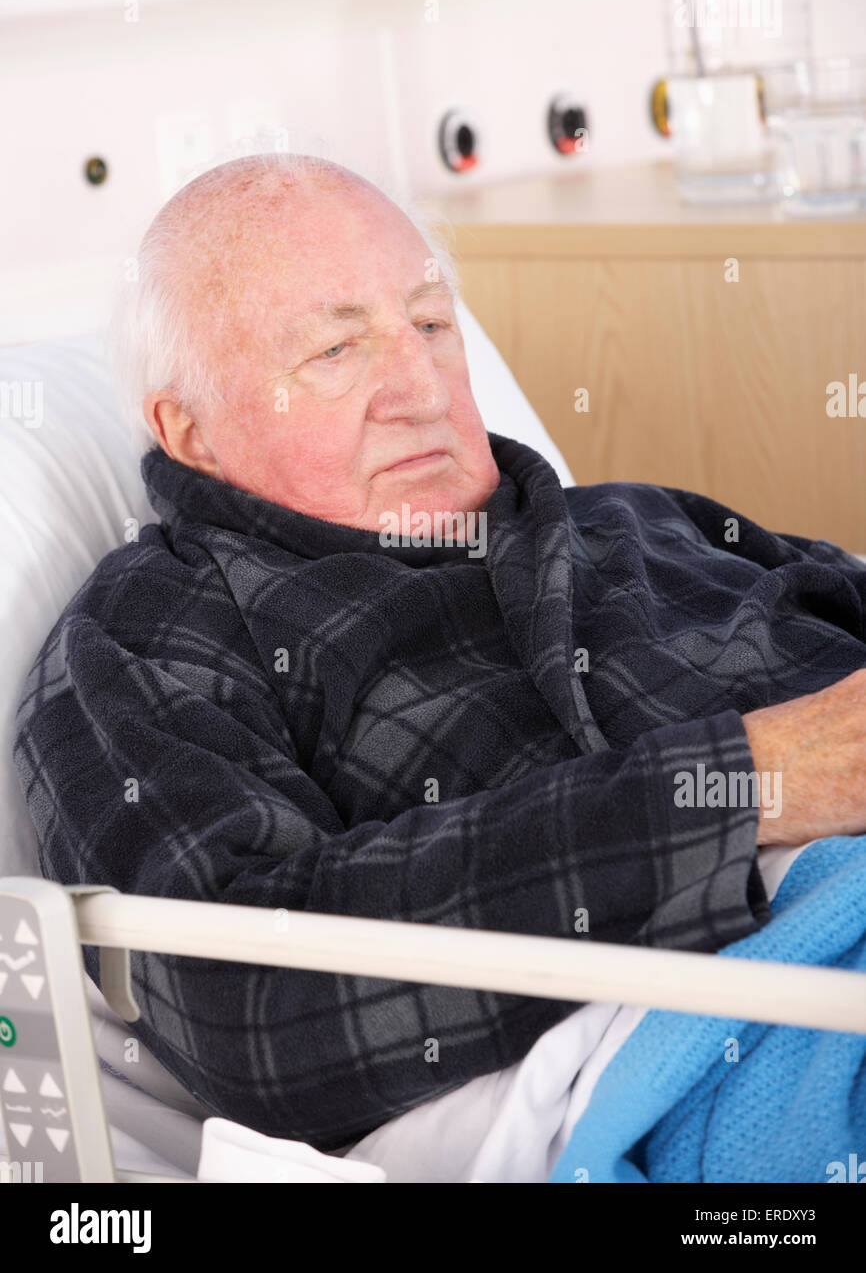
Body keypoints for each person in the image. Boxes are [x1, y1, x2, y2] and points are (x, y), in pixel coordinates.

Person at [14, 152, 866, 1152]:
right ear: (188, 430)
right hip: (727, 1046)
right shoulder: (148, 640)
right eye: (335, 351)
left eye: (429, 325)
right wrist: (750, 782)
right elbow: (251, 998)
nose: (416, 384)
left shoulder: (644, 520)